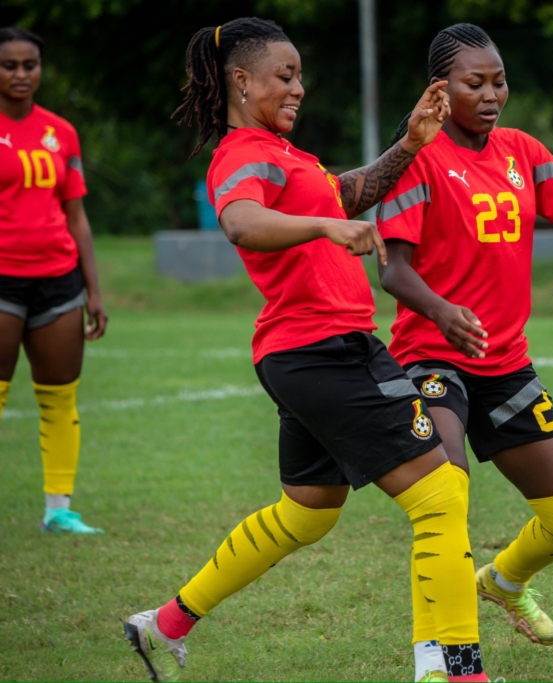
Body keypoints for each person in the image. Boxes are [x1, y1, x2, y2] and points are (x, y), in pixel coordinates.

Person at [123, 18, 491, 683]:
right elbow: (240, 221)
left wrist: (410, 143)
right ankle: (457, 672)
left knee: (306, 513)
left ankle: (164, 625)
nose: (298, 87)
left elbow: (347, 194)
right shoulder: (241, 152)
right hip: (326, 350)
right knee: (441, 496)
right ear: (241, 80)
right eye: (284, 75)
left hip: (305, 353)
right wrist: (325, 225)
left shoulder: (284, 153)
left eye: (299, 76)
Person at [376, 23, 553, 667]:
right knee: (445, 501)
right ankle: (438, 663)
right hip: (431, 358)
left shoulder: (523, 151)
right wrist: (442, 312)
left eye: (499, 82)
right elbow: (393, 271)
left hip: (506, 365)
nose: (490, 95)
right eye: (474, 83)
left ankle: (503, 582)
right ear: (441, 89)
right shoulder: (415, 158)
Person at [0, 27, 108, 534]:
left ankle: (58, 510)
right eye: (10, 65)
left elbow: (77, 215)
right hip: (4, 279)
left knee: (60, 397)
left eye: (31, 65)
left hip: (59, 281)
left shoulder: (61, 132)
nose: (22, 74)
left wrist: (94, 290)